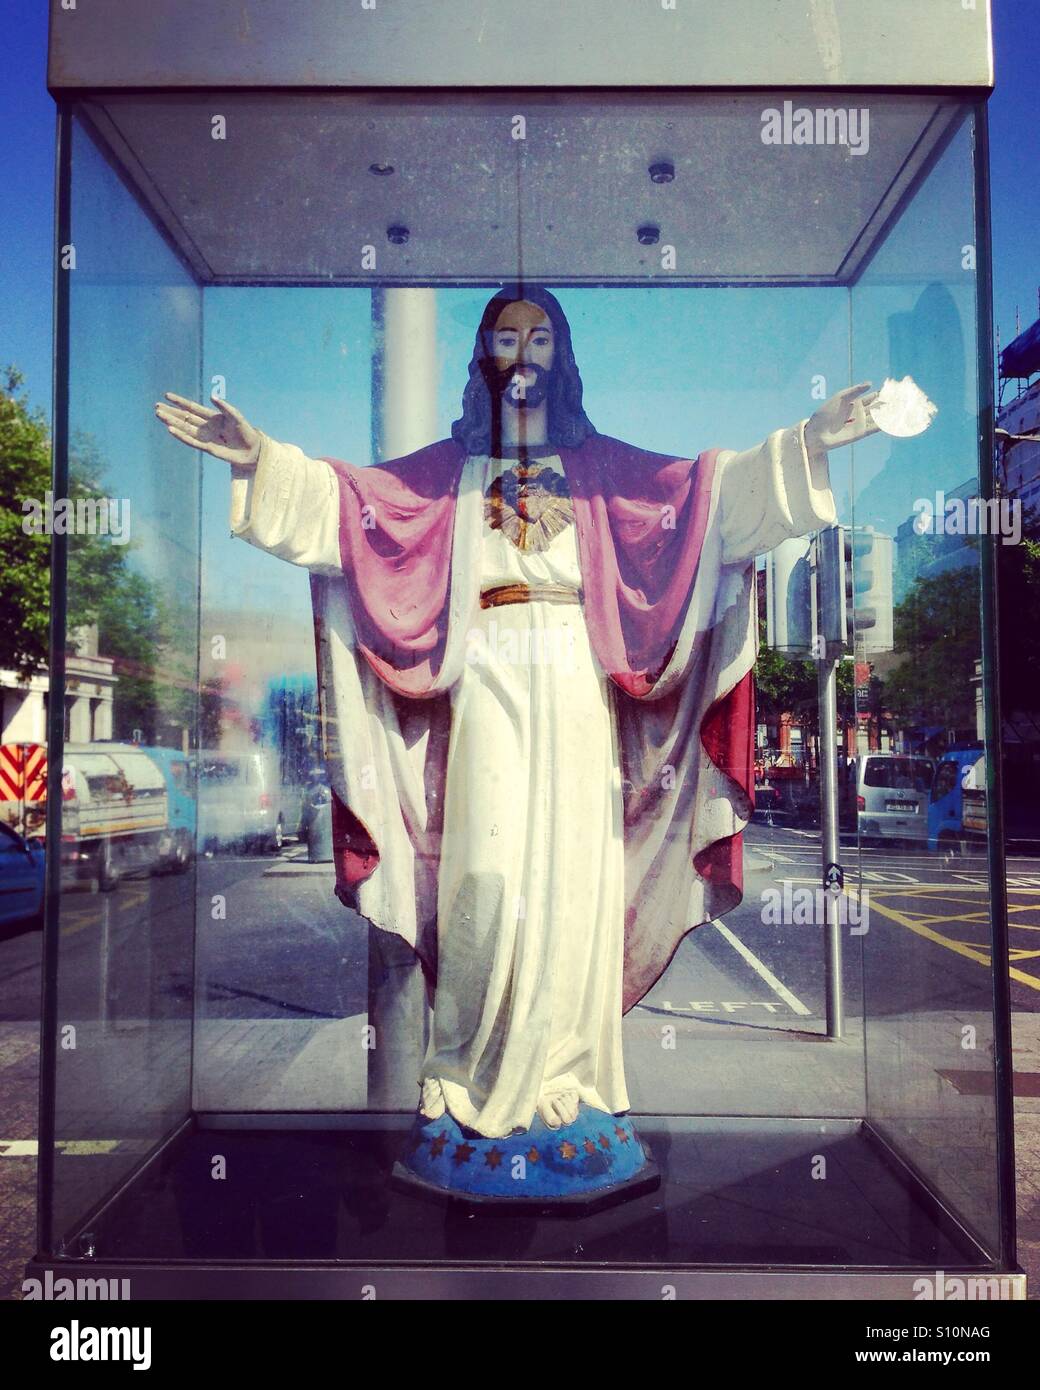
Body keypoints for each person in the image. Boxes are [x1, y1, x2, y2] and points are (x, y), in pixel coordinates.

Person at [156, 284, 878, 1141]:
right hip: (488, 669)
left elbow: (708, 497)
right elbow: (352, 506)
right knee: (484, 871)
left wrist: (809, 442)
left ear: (562, 356)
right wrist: (261, 461)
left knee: (577, 869)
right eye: (507, 337)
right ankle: (469, 1070)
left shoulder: (606, 469)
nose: (524, 353)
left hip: (574, 671)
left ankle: (572, 1067)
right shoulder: (444, 473)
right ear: (484, 357)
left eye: (540, 338)